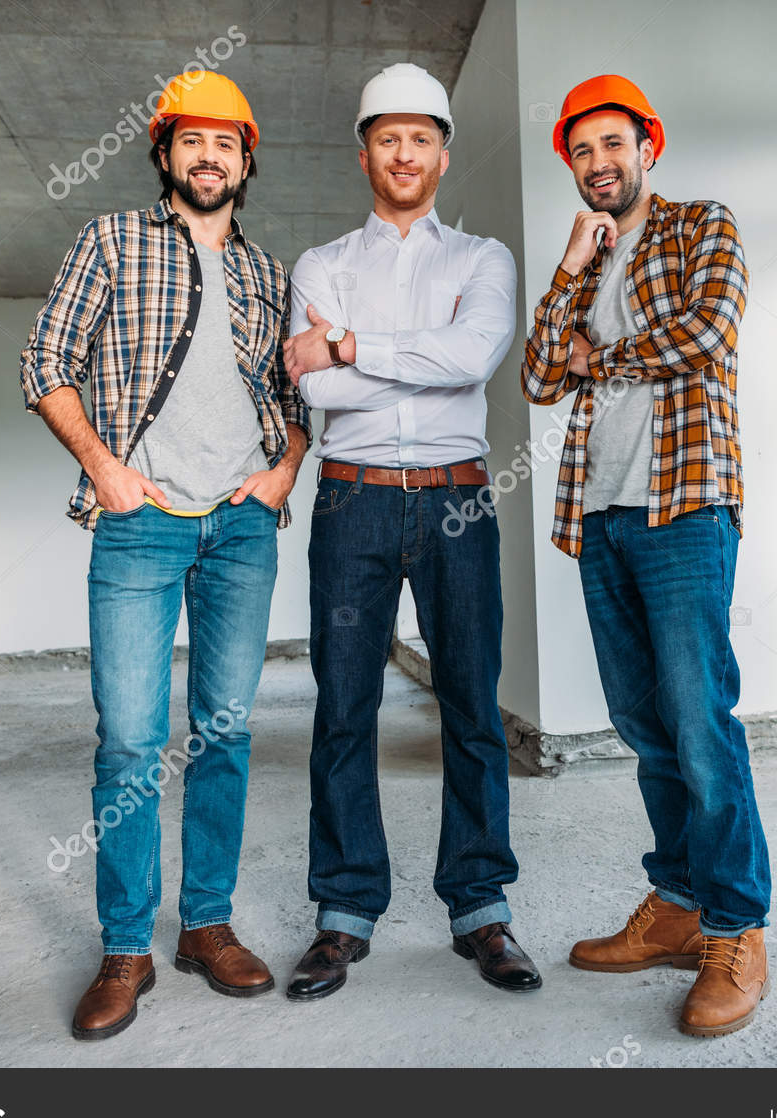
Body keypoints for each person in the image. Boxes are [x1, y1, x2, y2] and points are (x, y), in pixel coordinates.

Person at [21, 70, 309, 1040]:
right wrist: (104, 465)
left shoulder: (270, 274)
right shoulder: (110, 240)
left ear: (246, 159)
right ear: (163, 153)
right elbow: (43, 361)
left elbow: (297, 398)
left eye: (226, 142)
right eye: (191, 140)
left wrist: (285, 471)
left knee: (225, 732)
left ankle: (208, 924)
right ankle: (126, 946)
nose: (208, 156)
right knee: (132, 742)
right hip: (139, 521)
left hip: (239, 524)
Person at [279, 62, 538, 1002]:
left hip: (457, 500)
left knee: (471, 705)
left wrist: (349, 345)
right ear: (365, 153)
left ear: (441, 150)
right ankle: (344, 915)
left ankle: (480, 911)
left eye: (420, 137)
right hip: (351, 502)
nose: (404, 152)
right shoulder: (322, 265)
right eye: (387, 137)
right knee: (343, 706)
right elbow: (314, 389)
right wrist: (408, 368)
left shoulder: (482, 260)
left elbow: (473, 358)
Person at [519, 75, 771, 1037]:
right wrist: (572, 270)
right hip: (604, 517)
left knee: (701, 721)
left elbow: (707, 330)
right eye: (581, 152)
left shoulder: (701, 224)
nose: (598, 165)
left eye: (612, 145)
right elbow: (544, 376)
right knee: (642, 720)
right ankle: (676, 906)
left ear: (646, 148)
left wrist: (601, 357)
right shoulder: (590, 257)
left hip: (684, 505)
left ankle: (738, 927)